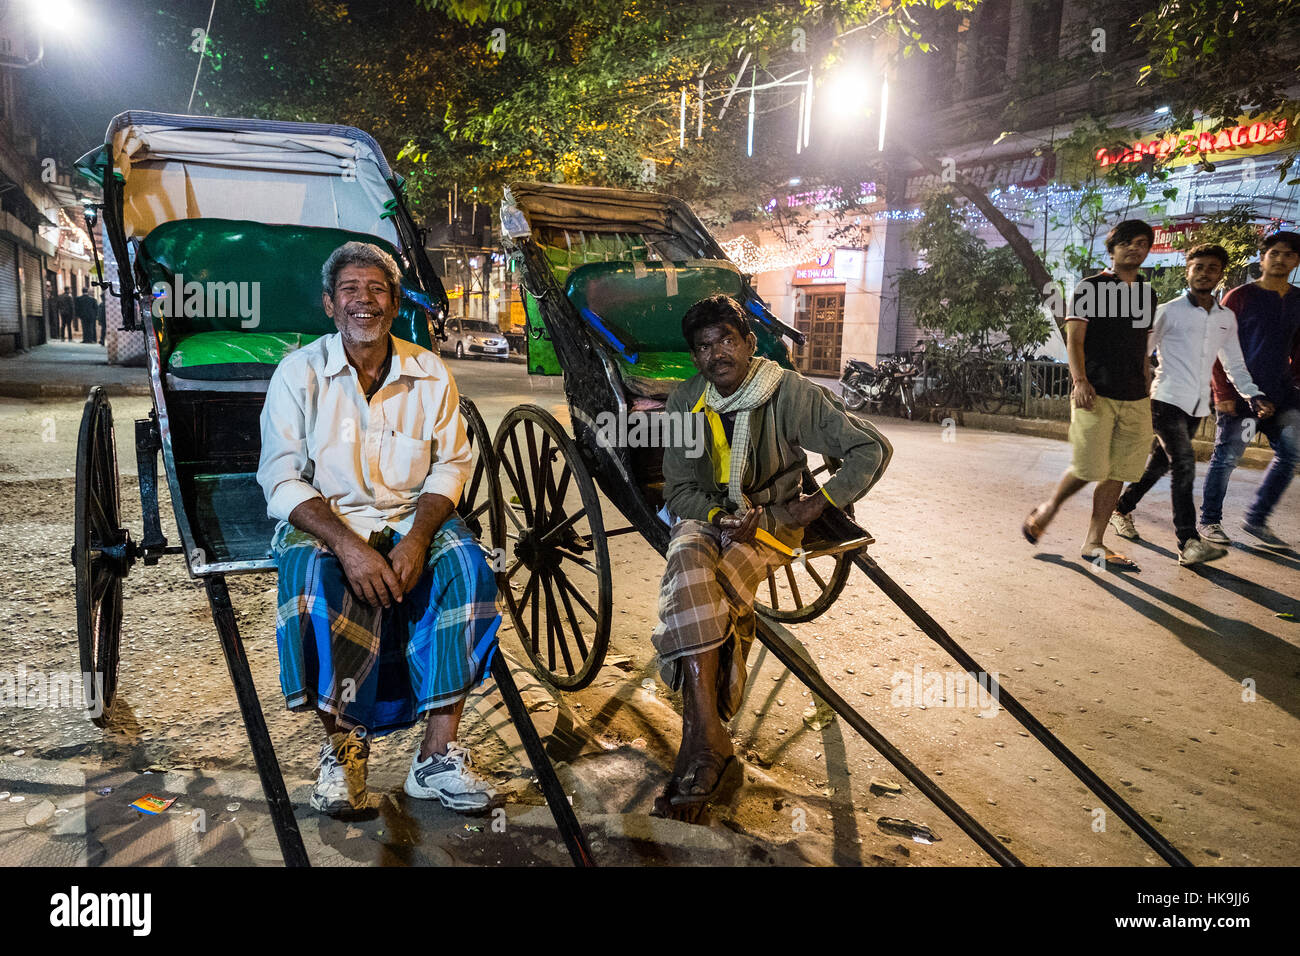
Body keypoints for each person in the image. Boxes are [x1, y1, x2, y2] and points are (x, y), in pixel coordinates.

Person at [257, 241, 501, 816]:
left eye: (377, 291)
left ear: (394, 305)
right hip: (329, 519)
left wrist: (418, 539)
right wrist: (347, 546)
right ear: (329, 304)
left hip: (411, 515)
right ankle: (343, 753)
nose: (363, 302)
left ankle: (435, 757)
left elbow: (452, 464)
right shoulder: (300, 373)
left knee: (469, 570)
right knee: (313, 583)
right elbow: (281, 475)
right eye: (350, 291)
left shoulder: (429, 371)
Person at [652, 294, 892, 821]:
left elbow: (869, 449)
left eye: (727, 340)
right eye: (704, 346)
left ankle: (700, 741)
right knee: (690, 564)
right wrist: (719, 519)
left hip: (775, 523)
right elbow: (680, 491)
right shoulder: (685, 403)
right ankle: (708, 735)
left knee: (718, 582)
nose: (716, 353)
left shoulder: (790, 394)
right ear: (695, 357)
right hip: (708, 518)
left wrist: (816, 505)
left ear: (749, 342)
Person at [1108, 245, 1273, 565]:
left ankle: (1122, 508)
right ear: (1188, 270)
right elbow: (1140, 350)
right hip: (1164, 399)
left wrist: (1252, 394)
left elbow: (1234, 364)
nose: (1204, 272)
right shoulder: (1169, 311)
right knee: (1183, 462)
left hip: (1197, 406)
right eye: (1198, 267)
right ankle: (1188, 541)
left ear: (1220, 273)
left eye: (1212, 268)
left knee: (1159, 465)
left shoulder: (1226, 318)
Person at [1022, 220, 1157, 570]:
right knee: (1088, 467)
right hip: (1096, 393)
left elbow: (1141, 345)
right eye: (1126, 243)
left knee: (1119, 471)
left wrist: (1147, 388)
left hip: (1136, 397)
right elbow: (1075, 339)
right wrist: (1079, 381)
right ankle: (1049, 508)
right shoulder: (1091, 287)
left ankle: (1094, 542)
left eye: (1142, 243)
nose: (1134, 248)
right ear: (1112, 250)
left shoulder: (1146, 292)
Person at [1197, 231, 1300, 549]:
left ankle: (1256, 519)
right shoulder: (1239, 297)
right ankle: (1209, 521)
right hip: (1241, 397)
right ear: (1262, 257)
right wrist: (1222, 394)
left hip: (1282, 395)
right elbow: (1215, 346)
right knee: (1228, 457)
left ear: (1296, 261)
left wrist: (1294, 383)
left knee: (1291, 453)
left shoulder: (1299, 300)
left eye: (1288, 254)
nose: (1280, 259)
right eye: (1274, 253)